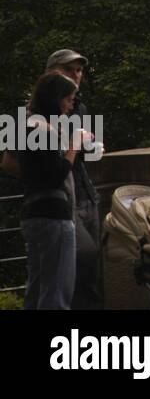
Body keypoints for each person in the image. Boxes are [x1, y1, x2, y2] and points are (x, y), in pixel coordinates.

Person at [18, 72, 83, 309]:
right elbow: (55, 175)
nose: (70, 105)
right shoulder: (43, 129)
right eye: (67, 99)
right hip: (53, 215)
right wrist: (74, 145)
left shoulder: (27, 126)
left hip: (32, 213)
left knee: (36, 289)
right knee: (56, 290)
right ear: (55, 99)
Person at [46, 49, 102, 308]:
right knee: (83, 258)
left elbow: (85, 153)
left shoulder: (80, 108)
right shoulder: (37, 112)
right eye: (69, 70)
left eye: (79, 71)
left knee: (92, 266)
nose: (76, 75)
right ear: (52, 72)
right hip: (61, 198)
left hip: (87, 194)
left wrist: (93, 148)